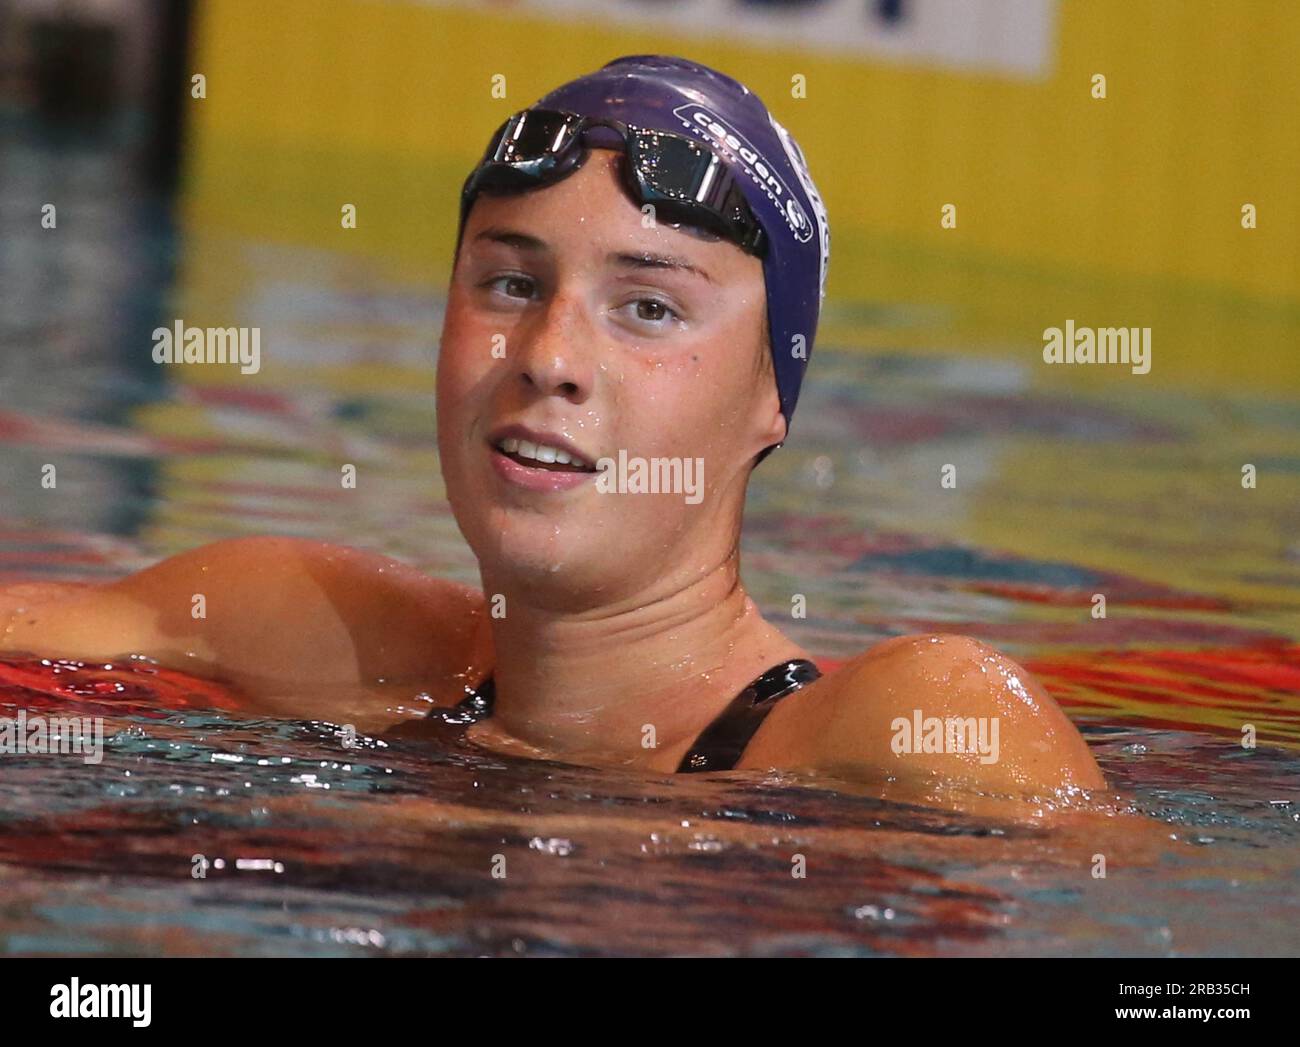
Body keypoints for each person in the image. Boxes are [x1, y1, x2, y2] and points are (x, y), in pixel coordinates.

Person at [0, 56, 1104, 797]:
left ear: (774, 398)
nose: (550, 359)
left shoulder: (908, 729)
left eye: (649, 308)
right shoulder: (305, 631)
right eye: (511, 286)